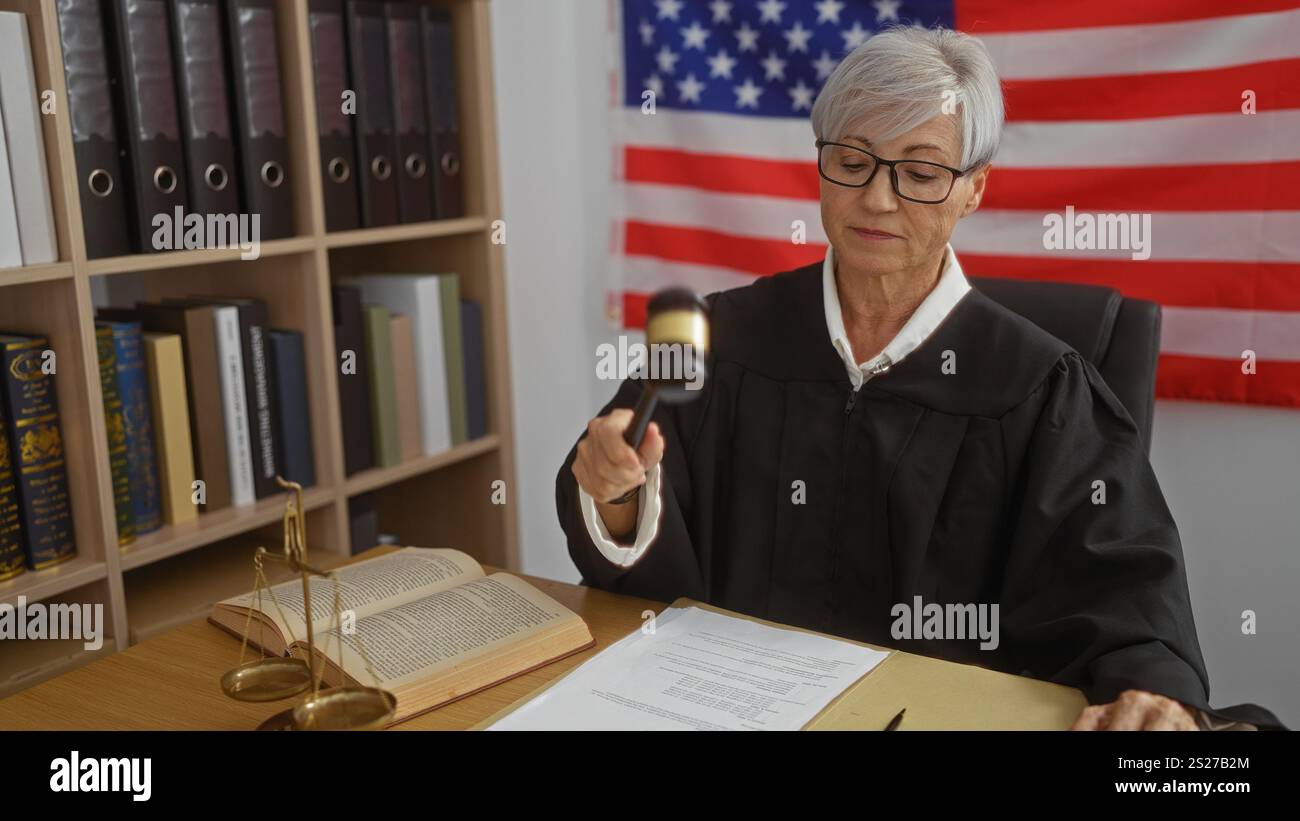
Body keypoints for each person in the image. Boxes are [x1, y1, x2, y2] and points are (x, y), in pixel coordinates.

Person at [557, 26, 1279, 730]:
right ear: (820, 163)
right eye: (853, 160)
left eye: (922, 172)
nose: (877, 198)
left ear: (974, 190)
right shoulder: (721, 341)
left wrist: (1153, 695)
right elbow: (622, 510)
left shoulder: (1042, 388)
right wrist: (618, 496)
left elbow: (1124, 592)